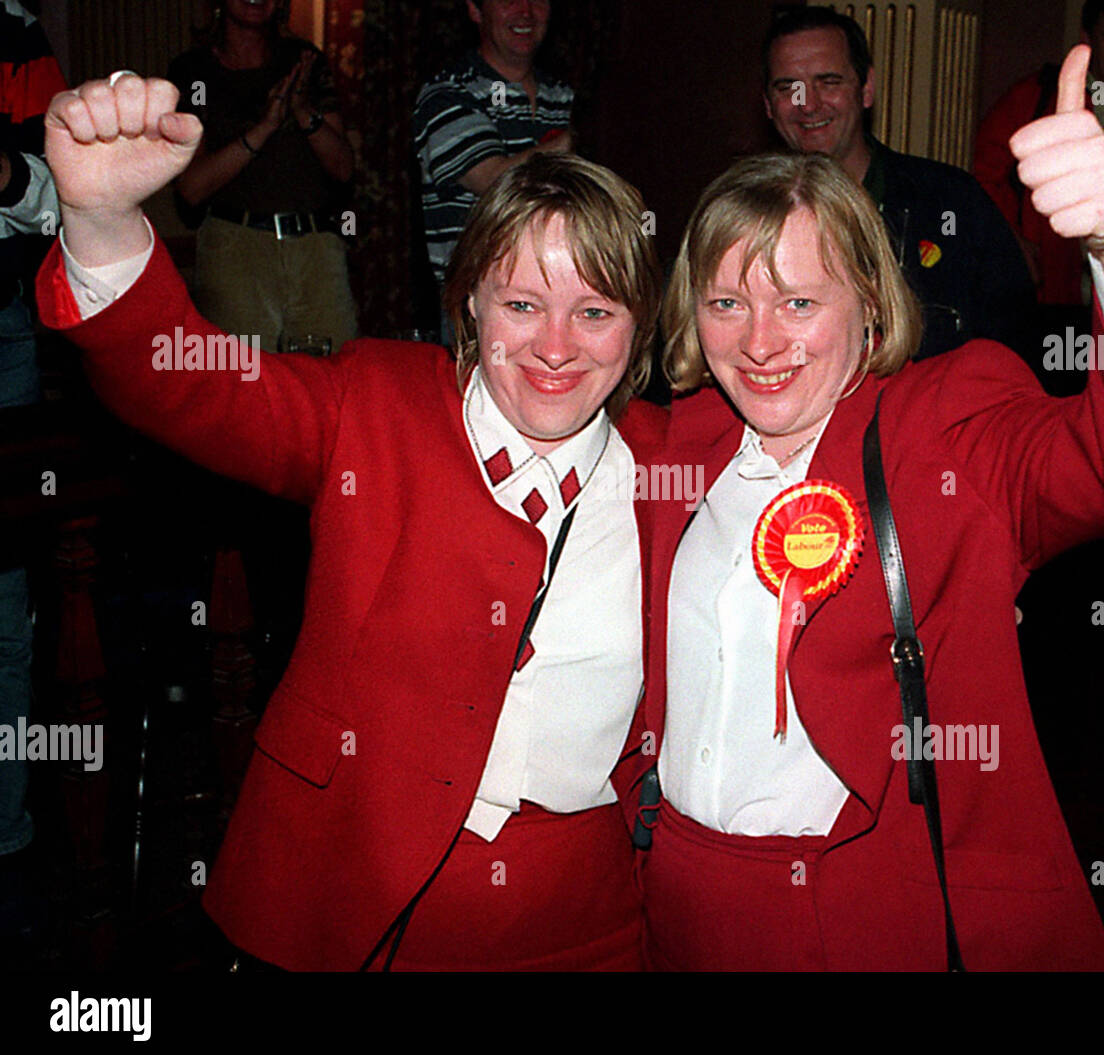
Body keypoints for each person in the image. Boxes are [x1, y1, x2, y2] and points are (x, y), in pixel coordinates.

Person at [617, 45, 1104, 971]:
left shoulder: (942, 426)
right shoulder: (675, 447)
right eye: (727, 302)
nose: (760, 340)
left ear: (867, 300)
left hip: (867, 909)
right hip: (678, 909)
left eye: (798, 300)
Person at [39, 72, 665, 971]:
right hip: (349, 901)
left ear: (638, 329)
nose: (555, 347)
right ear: (470, 302)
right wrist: (100, 224)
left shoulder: (677, 466)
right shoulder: (373, 405)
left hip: (579, 917)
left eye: (595, 311)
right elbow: (185, 384)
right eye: (521, 303)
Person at [761, 6, 1035, 363]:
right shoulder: (748, 217)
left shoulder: (951, 202)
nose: (808, 104)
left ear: (866, 89)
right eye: (789, 88)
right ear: (768, 105)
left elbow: (1015, 347)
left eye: (829, 82)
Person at [168, 0, 358, 353]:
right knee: (244, 388)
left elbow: (343, 167)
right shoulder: (194, 71)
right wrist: (264, 128)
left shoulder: (304, 61)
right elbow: (192, 189)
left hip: (316, 248)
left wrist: (302, 112)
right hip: (236, 251)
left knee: (333, 383)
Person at [0, 0, 65, 945]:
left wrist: (5, 171)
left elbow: (55, 195)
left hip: (3, 331)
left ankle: (7, 843)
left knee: (5, 609)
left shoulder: (15, 33)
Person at [414, 0, 573, 343]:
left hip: (562, 300)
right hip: (478, 304)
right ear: (474, 10)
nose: (526, 12)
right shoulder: (448, 92)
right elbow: (492, 179)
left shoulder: (564, 94)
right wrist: (577, 142)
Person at [975, 0, 1104, 307]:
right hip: (1061, 289)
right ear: (1088, 39)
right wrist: (1013, 242)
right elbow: (982, 174)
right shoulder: (1040, 96)